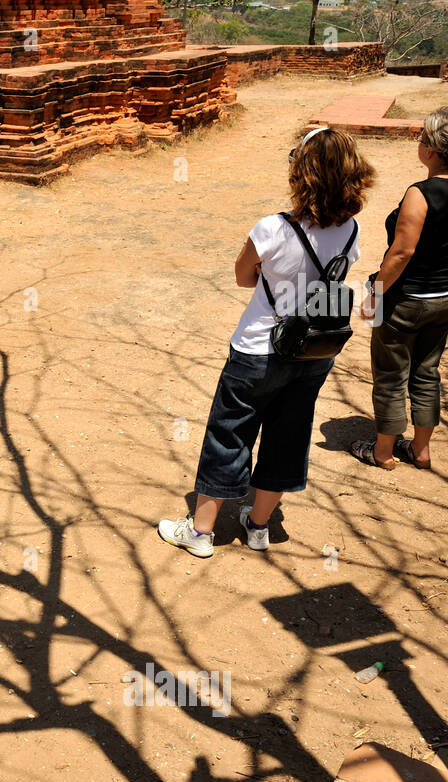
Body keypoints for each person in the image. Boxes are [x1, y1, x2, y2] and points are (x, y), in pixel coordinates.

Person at [158, 127, 375, 557]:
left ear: (302, 172)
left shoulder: (272, 228)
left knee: (229, 433)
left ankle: (201, 533)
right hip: (313, 350)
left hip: (258, 347)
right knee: (288, 434)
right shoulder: (350, 231)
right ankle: (258, 526)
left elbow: (243, 277)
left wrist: (276, 279)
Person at [351, 107, 448, 470]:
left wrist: (375, 291)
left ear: (430, 150)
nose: (419, 143)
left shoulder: (420, 193)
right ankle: (421, 449)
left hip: (406, 300)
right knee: (427, 371)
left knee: (391, 373)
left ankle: (382, 451)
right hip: (447, 295)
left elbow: (402, 252)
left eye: (422, 138)